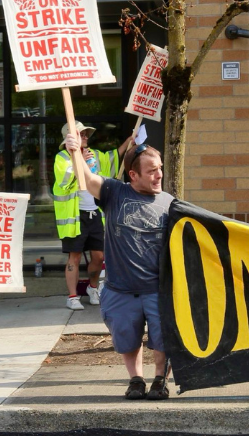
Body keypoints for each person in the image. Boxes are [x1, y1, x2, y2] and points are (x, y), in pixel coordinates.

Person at [63, 132, 174, 400]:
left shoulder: (170, 203)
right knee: (127, 338)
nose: (158, 175)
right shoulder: (114, 192)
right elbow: (88, 180)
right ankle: (135, 380)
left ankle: (160, 379)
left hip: (157, 290)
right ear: (133, 176)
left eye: (159, 169)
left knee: (163, 338)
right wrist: (75, 152)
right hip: (121, 290)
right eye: (151, 171)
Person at [52, 121, 132, 310]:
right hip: (74, 216)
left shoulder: (94, 154)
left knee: (99, 256)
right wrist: (78, 161)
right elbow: (64, 181)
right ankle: (72, 296)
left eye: (87, 134)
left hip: (95, 213)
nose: (87, 137)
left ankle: (92, 288)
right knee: (75, 257)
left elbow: (111, 159)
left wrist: (129, 141)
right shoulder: (62, 158)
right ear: (71, 138)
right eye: (83, 134)